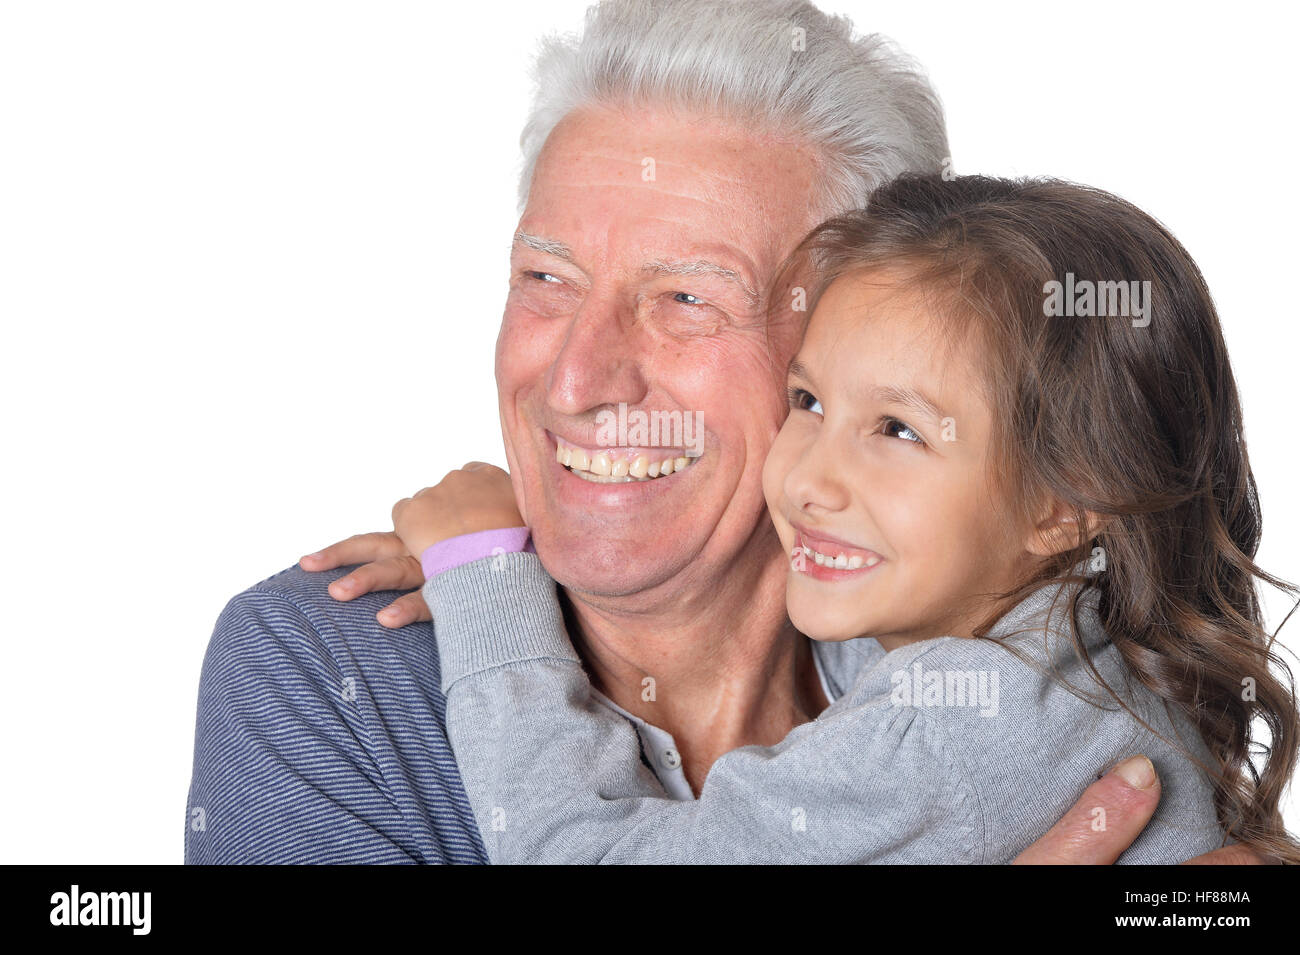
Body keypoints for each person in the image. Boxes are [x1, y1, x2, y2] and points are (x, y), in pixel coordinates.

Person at [185, 0, 1269, 863]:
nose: (577, 377)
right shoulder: (326, 671)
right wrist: (484, 586)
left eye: (689, 298)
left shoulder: (942, 687)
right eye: (545, 278)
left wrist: (485, 590)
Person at [397, 175, 1300, 863]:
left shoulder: (945, 732)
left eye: (898, 428)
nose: (808, 480)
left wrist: (484, 580)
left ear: (1064, 504)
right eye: (808, 400)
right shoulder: (1090, 652)